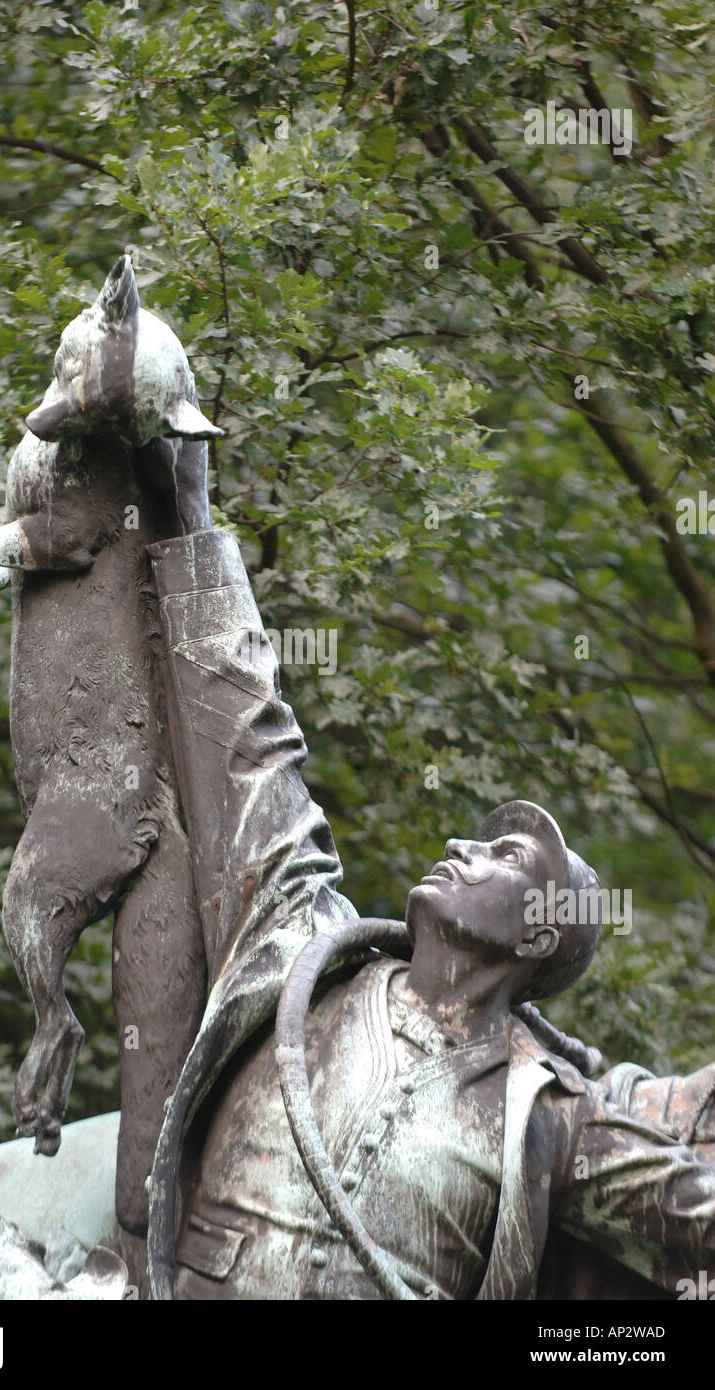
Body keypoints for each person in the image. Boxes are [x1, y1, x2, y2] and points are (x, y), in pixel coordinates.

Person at [139, 434, 715, 1301]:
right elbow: (248, 744)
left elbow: (693, 1215)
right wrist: (188, 510)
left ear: (538, 932)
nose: (461, 848)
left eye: (504, 856)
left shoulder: (549, 1118)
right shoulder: (302, 943)